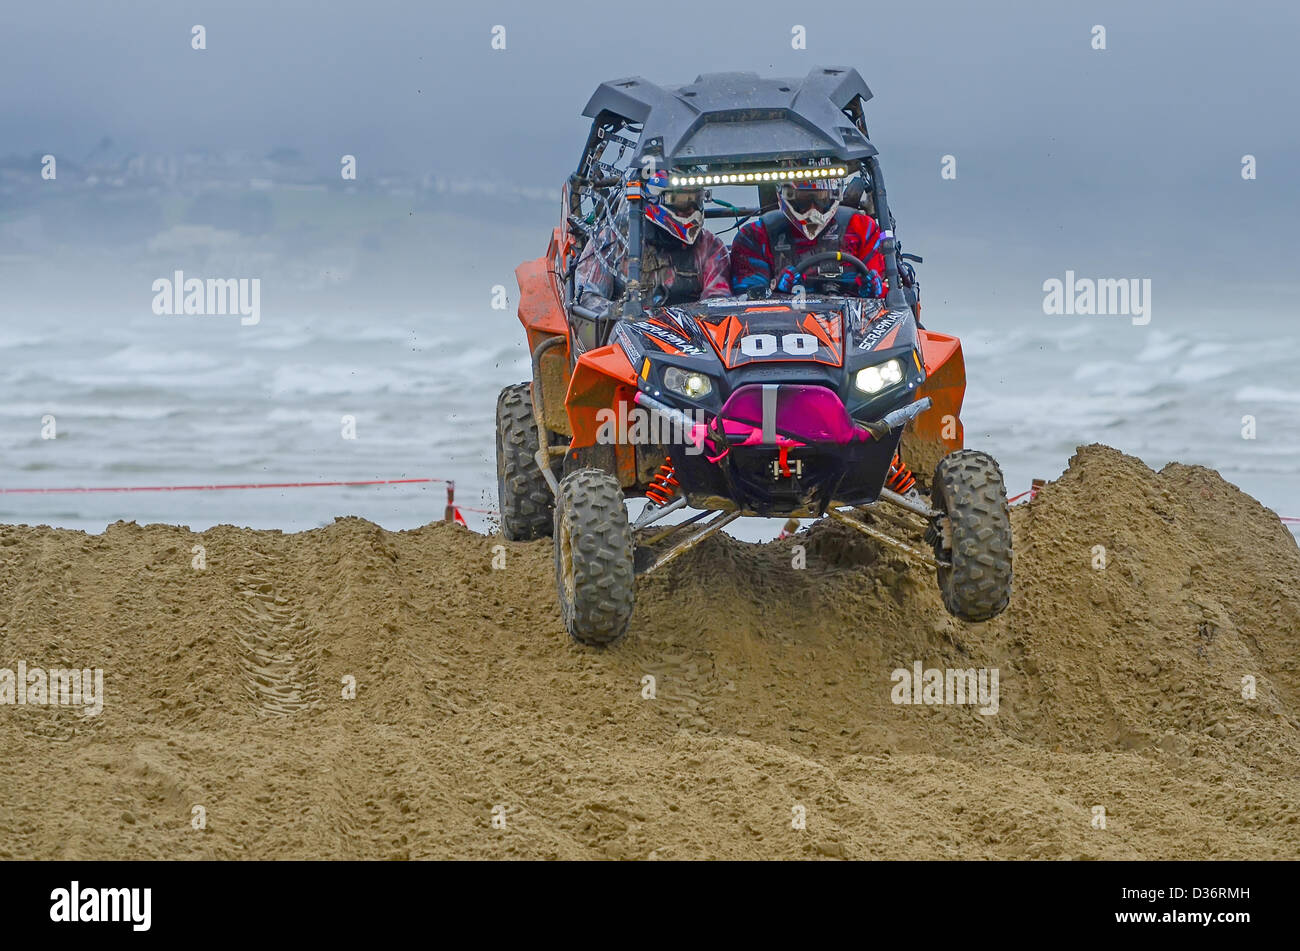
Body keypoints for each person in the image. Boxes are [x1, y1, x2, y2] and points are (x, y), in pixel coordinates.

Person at [574, 171, 731, 328]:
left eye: (695, 199)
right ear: (656, 199)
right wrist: (622, 313)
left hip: (691, 337)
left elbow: (718, 304)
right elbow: (587, 299)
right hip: (624, 337)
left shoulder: (709, 246)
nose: (690, 209)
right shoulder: (611, 240)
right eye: (682, 200)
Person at [729, 172, 886, 298]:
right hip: (782, 327)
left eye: (820, 198)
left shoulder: (862, 228)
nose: (813, 210)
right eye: (803, 199)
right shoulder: (755, 236)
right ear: (784, 194)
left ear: (835, 193)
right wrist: (778, 293)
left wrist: (872, 292)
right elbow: (746, 301)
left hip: (855, 328)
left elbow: (890, 294)